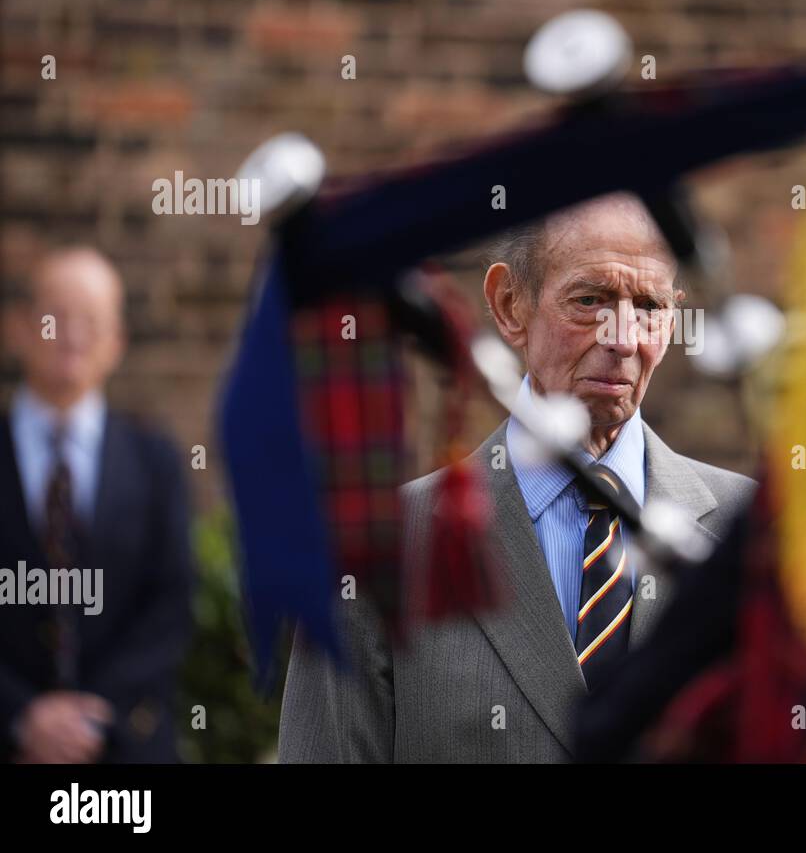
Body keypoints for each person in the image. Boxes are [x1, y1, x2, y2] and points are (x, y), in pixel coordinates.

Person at [278, 192, 756, 762]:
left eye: (649, 307)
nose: (624, 339)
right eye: (590, 300)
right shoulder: (376, 550)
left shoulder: (753, 536)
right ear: (509, 305)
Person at [0, 247, 192, 763]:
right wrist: (21, 716)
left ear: (117, 342)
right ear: (16, 328)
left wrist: (87, 720)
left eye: (91, 320)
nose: (72, 334)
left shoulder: (156, 463)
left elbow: (171, 604)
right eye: (54, 316)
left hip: (127, 752)